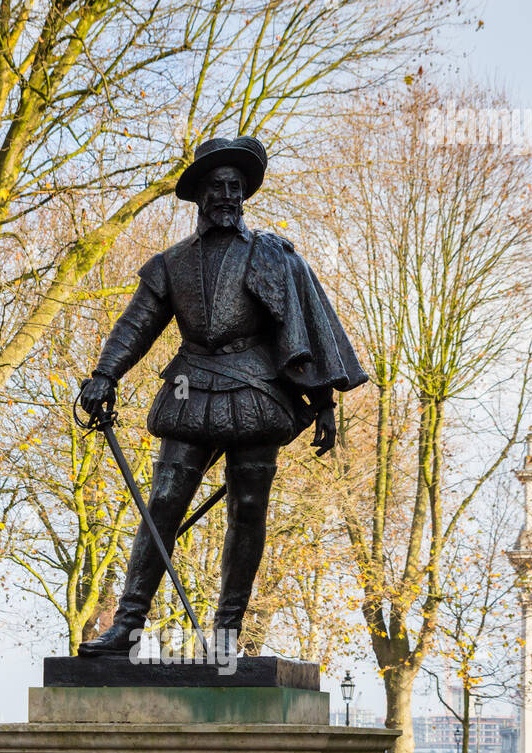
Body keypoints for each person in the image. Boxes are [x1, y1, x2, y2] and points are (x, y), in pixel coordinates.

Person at [77, 135, 367, 657]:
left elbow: (302, 325)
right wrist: (105, 374)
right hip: (191, 386)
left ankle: (227, 635)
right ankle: (127, 624)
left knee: (248, 508)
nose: (228, 195)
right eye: (218, 186)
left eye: (236, 187)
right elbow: (136, 325)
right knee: (163, 502)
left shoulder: (271, 255)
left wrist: (323, 402)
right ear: (199, 195)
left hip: (257, 391)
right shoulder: (170, 263)